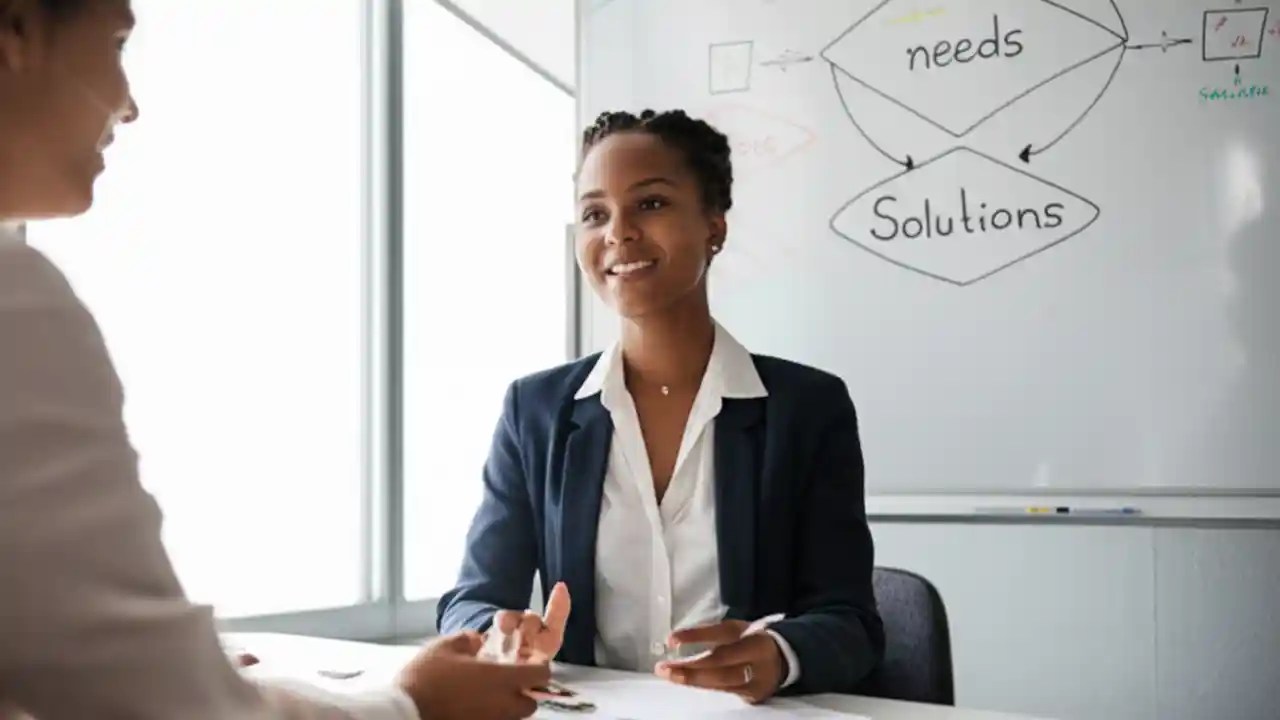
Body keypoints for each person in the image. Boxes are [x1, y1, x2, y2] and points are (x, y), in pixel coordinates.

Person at [0, 1, 549, 718]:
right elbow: (173, 709)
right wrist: (408, 704)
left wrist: (177, 662)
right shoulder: (18, 302)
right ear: (15, 32)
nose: (128, 104)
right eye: (116, 41)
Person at [437, 108, 885, 703]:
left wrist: (779, 655)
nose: (617, 232)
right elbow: (470, 600)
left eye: (650, 204)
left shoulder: (807, 409)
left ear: (714, 228)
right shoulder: (536, 410)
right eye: (595, 213)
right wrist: (498, 634)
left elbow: (849, 620)